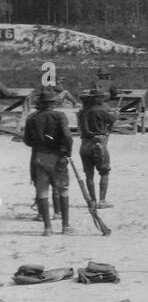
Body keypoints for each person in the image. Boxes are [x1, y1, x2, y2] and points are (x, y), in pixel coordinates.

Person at [24, 89, 74, 236]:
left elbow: (27, 140)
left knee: (42, 192)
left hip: (39, 157)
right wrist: (67, 153)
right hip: (58, 157)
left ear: (40, 103)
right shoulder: (59, 115)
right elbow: (68, 136)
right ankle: (65, 226)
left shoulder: (32, 118)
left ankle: (47, 228)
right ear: (53, 103)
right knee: (63, 190)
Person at [76, 90, 116, 210]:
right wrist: (115, 115)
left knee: (89, 175)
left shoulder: (82, 113)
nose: (102, 99)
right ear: (96, 99)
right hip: (98, 143)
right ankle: (102, 200)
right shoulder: (100, 111)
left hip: (84, 144)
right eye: (101, 97)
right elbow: (112, 120)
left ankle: (93, 201)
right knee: (104, 172)